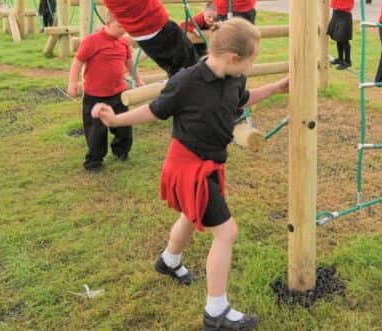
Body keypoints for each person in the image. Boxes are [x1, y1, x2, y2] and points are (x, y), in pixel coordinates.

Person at [91, 19, 289, 331]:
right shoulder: (187, 81)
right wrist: (115, 120)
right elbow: (155, 110)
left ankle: (169, 261)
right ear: (233, 57)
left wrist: (276, 87)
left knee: (189, 215)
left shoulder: (234, 78)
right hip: (187, 166)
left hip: (210, 162)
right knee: (226, 233)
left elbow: (241, 99)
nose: (254, 64)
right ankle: (216, 311)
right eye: (253, 58)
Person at [68, 19, 137, 172]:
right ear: (108, 22)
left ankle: (121, 152)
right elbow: (78, 61)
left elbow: (129, 62)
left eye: (126, 26)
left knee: (124, 127)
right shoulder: (92, 41)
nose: (123, 29)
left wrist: (138, 79)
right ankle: (94, 162)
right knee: (96, 131)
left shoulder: (123, 42)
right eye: (120, 26)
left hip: (119, 93)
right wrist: (72, 82)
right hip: (95, 96)